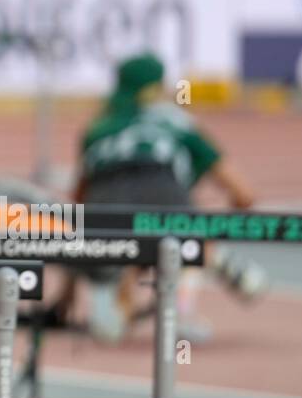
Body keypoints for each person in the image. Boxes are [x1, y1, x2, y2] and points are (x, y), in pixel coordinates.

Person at [71, 53, 266, 343]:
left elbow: (77, 206)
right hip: (164, 192)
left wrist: (63, 300)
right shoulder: (175, 120)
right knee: (188, 234)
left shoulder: (96, 127)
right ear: (155, 87)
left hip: (104, 211)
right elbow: (244, 194)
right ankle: (185, 302)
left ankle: (115, 301)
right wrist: (218, 229)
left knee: (119, 245)